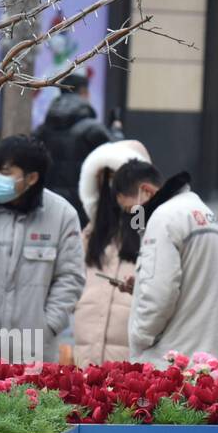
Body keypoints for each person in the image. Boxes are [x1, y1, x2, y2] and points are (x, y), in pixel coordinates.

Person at [0, 135, 84, 364]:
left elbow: (70, 277)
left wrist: (49, 325)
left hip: (35, 350)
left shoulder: (62, 215)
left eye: (5, 172)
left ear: (32, 178)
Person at [113, 159, 218, 367]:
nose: (133, 217)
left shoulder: (162, 219)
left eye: (131, 209)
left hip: (172, 362)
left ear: (145, 190)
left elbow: (159, 296)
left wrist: (139, 339)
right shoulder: (203, 212)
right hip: (209, 357)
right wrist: (140, 286)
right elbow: (194, 280)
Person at [71, 139, 150, 365]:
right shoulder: (90, 235)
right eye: (107, 178)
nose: (113, 187)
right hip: (87, 356)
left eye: (121, 177)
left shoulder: (151, 232)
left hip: (132, 360)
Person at [33, 73, 113, 226]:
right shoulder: (92, 129)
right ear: (84, 92)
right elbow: (114, 159)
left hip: (48, 203)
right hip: (84, 206)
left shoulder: (42, 129)